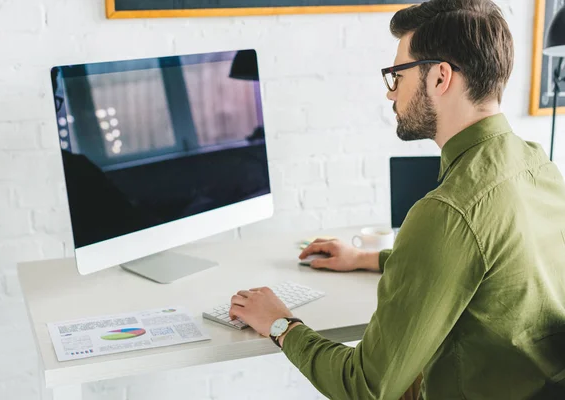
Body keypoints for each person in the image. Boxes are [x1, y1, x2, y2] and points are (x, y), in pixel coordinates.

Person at [227, 0, 565, 399]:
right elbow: (487, 265)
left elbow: (366, 387)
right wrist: (368, 258)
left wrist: (280, 323)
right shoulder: (535, 162)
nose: (391, 95)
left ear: (440, 78)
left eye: (396, 76)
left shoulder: (447, 212)